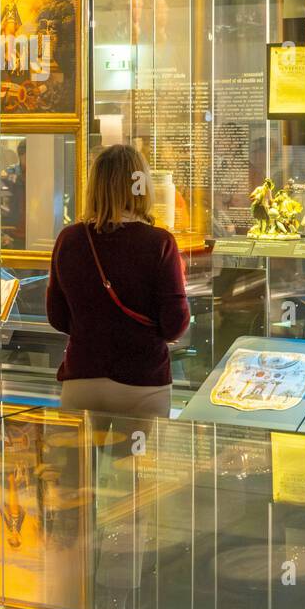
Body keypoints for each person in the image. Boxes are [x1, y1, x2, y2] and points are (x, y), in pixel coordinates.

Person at [46, 144, 190, 417]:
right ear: (142, 186)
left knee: (82, 459)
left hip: (82, 377)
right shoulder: (160, 243)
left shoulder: (70, 239)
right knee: (137, 460)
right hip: (143, 382)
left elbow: (57, 317)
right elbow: (175, 325)